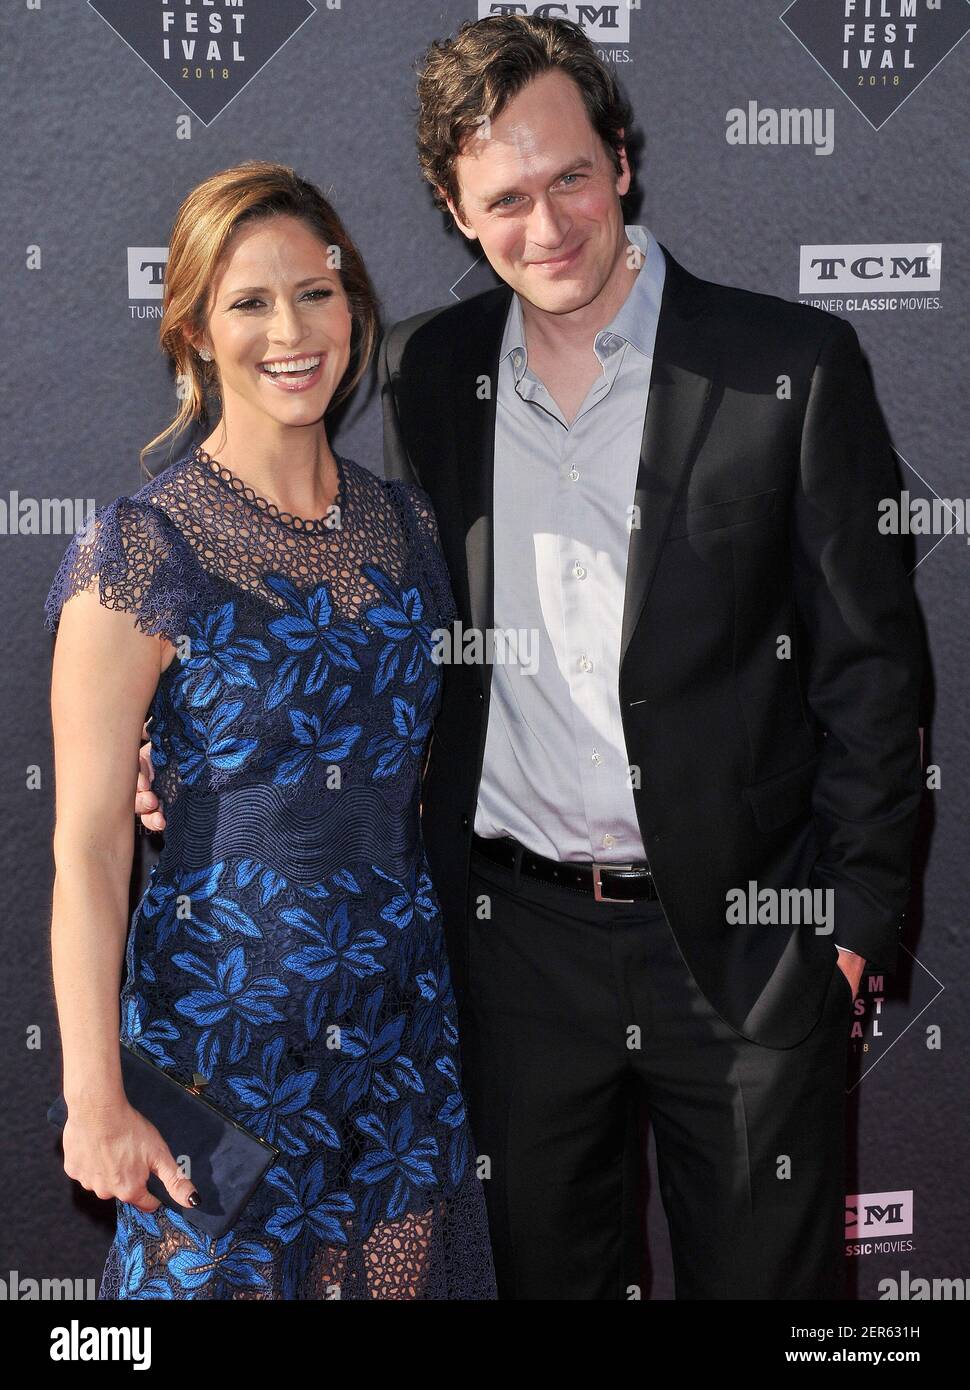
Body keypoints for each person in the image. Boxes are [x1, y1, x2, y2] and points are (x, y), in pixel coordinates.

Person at [138, 17, 924, 1299]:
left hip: (743, 945)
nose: (545, 224)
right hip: (510, 946)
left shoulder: (786, 367)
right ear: (456, 210)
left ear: (620, 161)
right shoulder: (428, 375)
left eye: (569, 176)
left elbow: (873, 676)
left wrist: (845, 930)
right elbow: (356, 626)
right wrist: (181, 754)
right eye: (504, 196)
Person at [45, 161, 496, 1300]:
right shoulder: (141, 552)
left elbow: (420, 766)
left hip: (397, 1030)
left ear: (354, 310)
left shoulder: (409, 528)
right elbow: (92, 846)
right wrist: (96, 1095)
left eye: (315, 293)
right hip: (215, 1041)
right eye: (249, 302)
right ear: (192, 331)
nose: (290, 331)